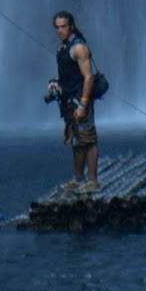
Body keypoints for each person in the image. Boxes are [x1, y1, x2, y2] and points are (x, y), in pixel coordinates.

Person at [48, 11, 100, 193]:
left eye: (63, 26)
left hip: (80, 100)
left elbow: (88, 78)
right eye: (57, 27)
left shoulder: (79, 48)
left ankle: (92, 182)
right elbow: (66, 72)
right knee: (76, 141)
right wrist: (55, 81)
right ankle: (78, 179)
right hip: (68, 101)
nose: (60, 30)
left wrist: (84, 105)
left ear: (71, 26)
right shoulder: (62, 47)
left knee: (89, 140)